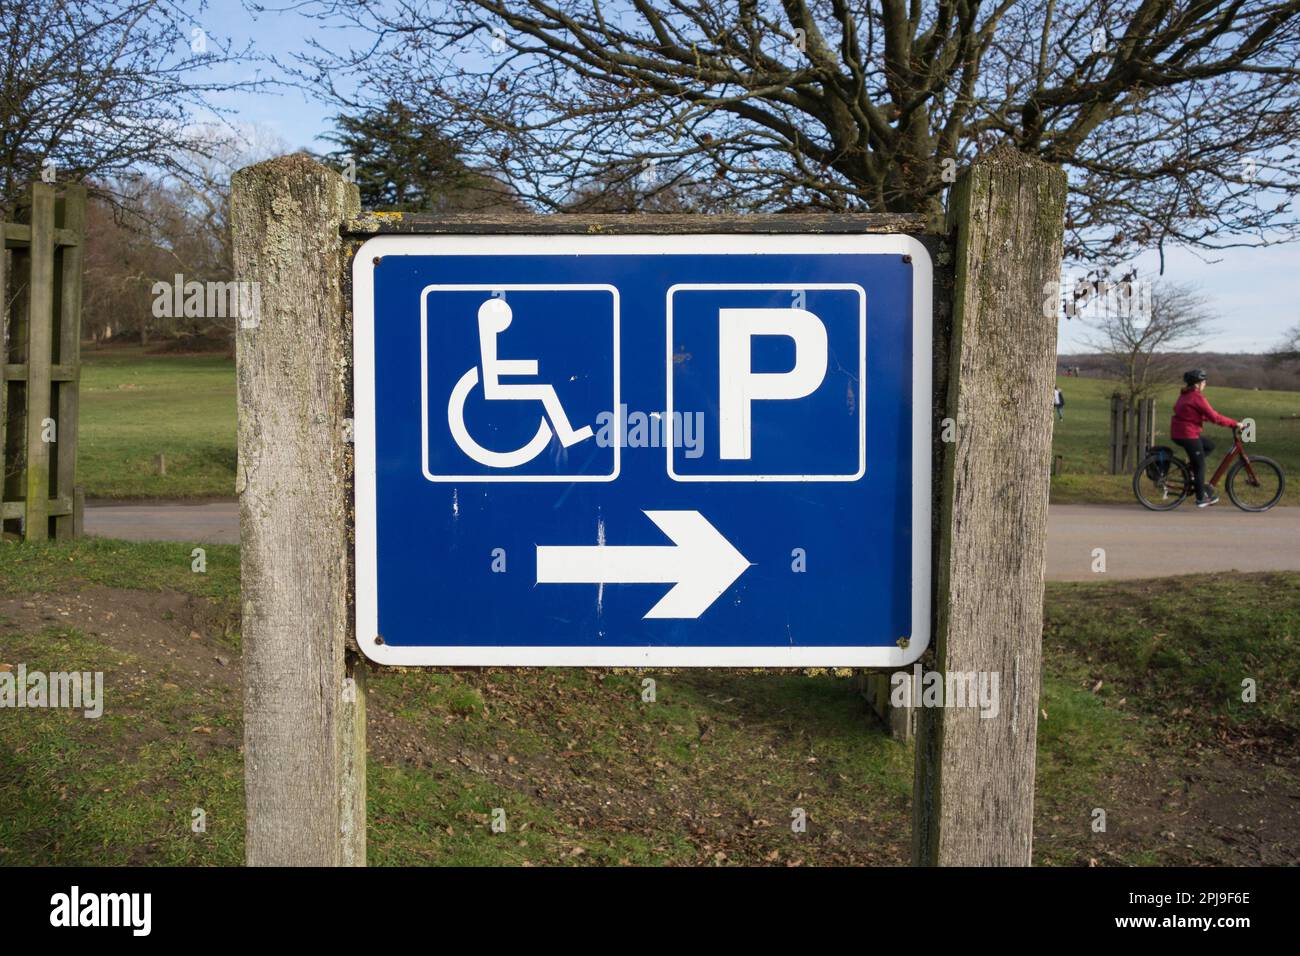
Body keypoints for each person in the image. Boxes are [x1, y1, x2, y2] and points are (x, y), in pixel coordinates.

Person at [1170, 369, 1238, 508]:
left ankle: (1191, 470)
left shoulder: (1185, 395)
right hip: (1187, 434)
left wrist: (1205, 418)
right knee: (1200, 465)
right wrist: (1235, 423)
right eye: (1204, 381)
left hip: (1180, 432)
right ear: (1197, 384)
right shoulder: (1197, 397)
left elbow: (1191, 413)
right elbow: (1215, 417)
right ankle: (1201, 498)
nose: (1205, 384)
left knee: (1209, 446)